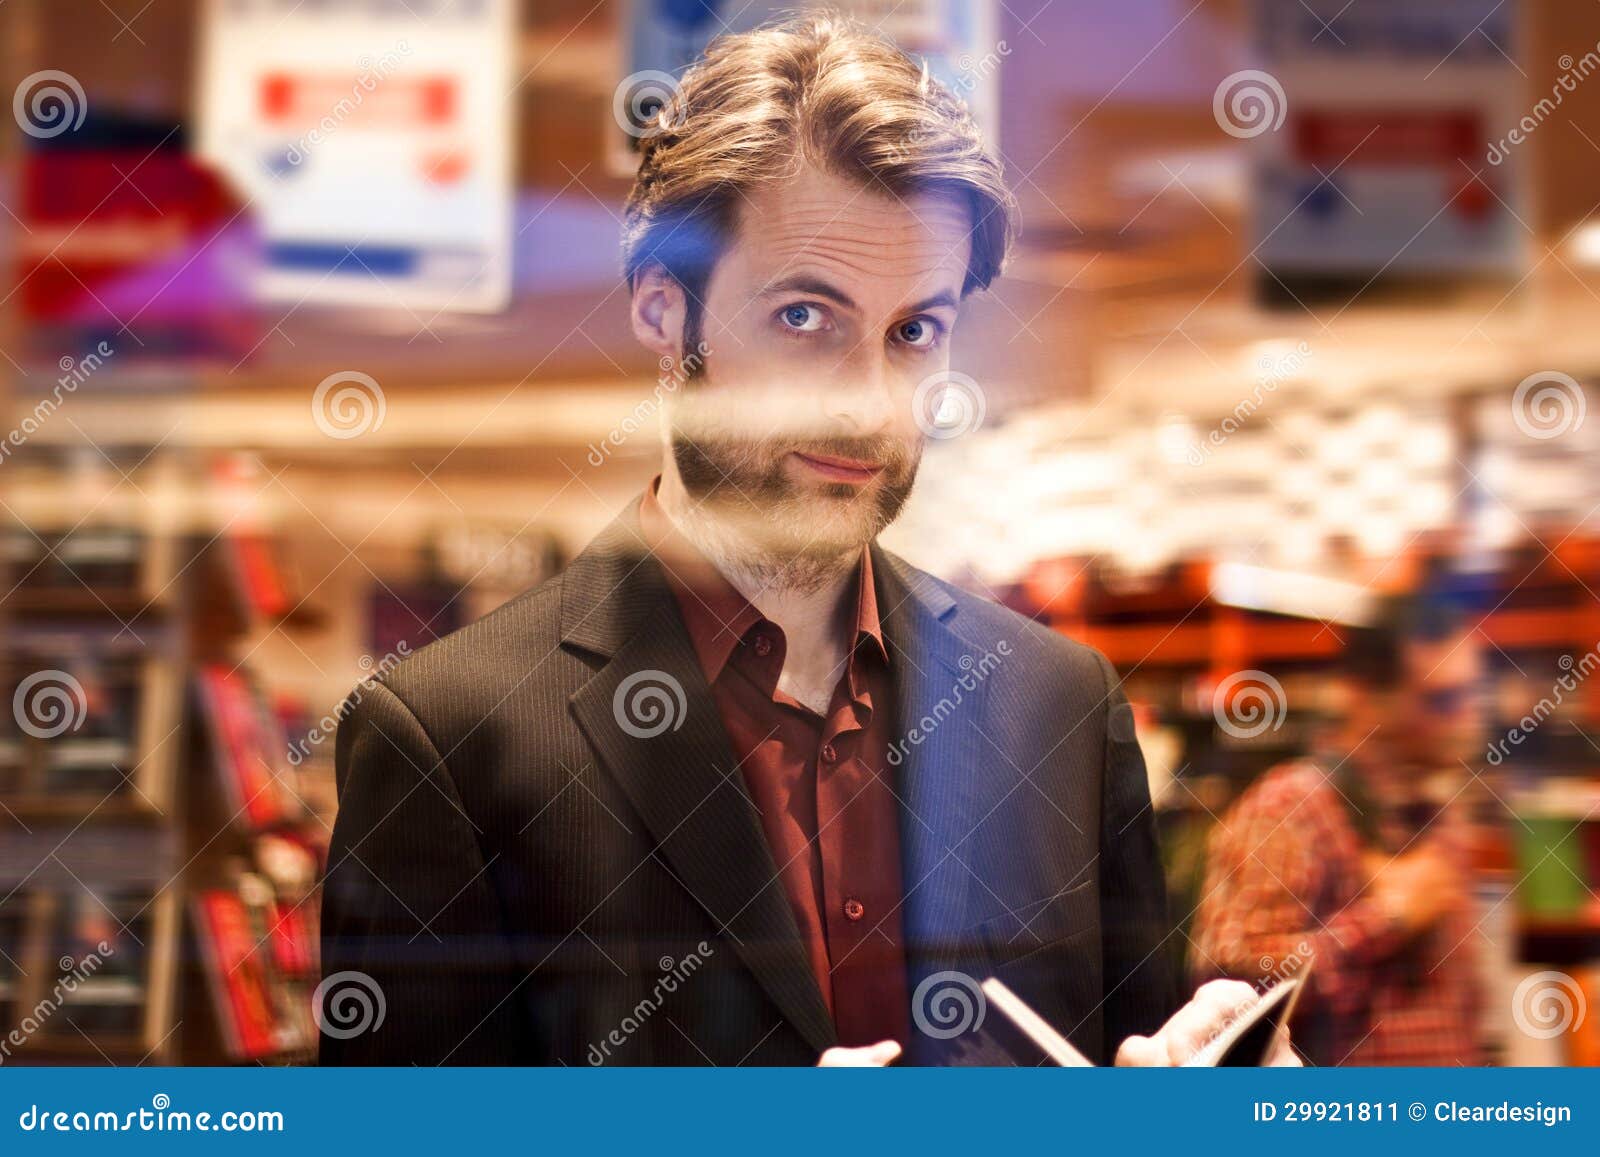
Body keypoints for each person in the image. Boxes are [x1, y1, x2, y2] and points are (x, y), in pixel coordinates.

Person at [321, 12, 1287, 1067]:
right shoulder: (455, 741)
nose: (868, 407)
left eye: (913, 332)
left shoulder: (1058, 707)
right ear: (664, 312)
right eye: (804, 319)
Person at [1190, 592, 1486, 1065]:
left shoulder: (1439, 816)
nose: (1470, 719)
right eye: (1442, 699)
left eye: (1473, 693)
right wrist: (1384, 922)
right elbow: (1231, 985)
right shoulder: (1291, 808)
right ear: (1364, 695)